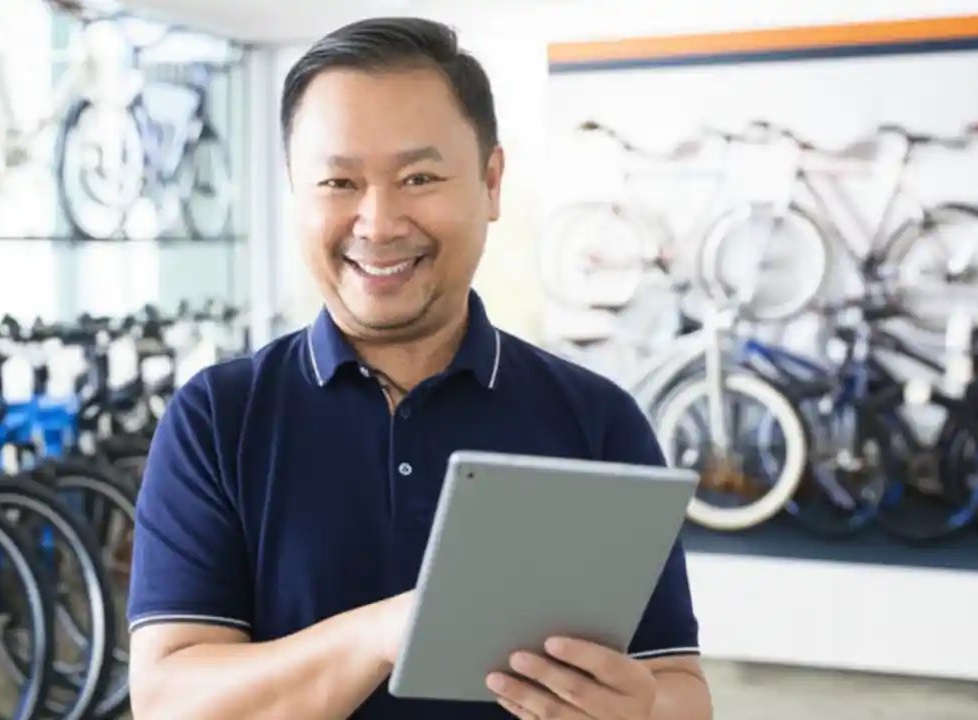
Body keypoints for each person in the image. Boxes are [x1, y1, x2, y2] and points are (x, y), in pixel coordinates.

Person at [127, 16, 712, 720]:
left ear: (492, 182)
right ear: (296, 190)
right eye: (339, 181)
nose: (377, 222)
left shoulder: (596, 420)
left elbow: (678, 684)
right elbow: (169, 703)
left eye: (420, 177)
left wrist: (640, 711)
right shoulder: (218, 418)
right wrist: (385, 632)